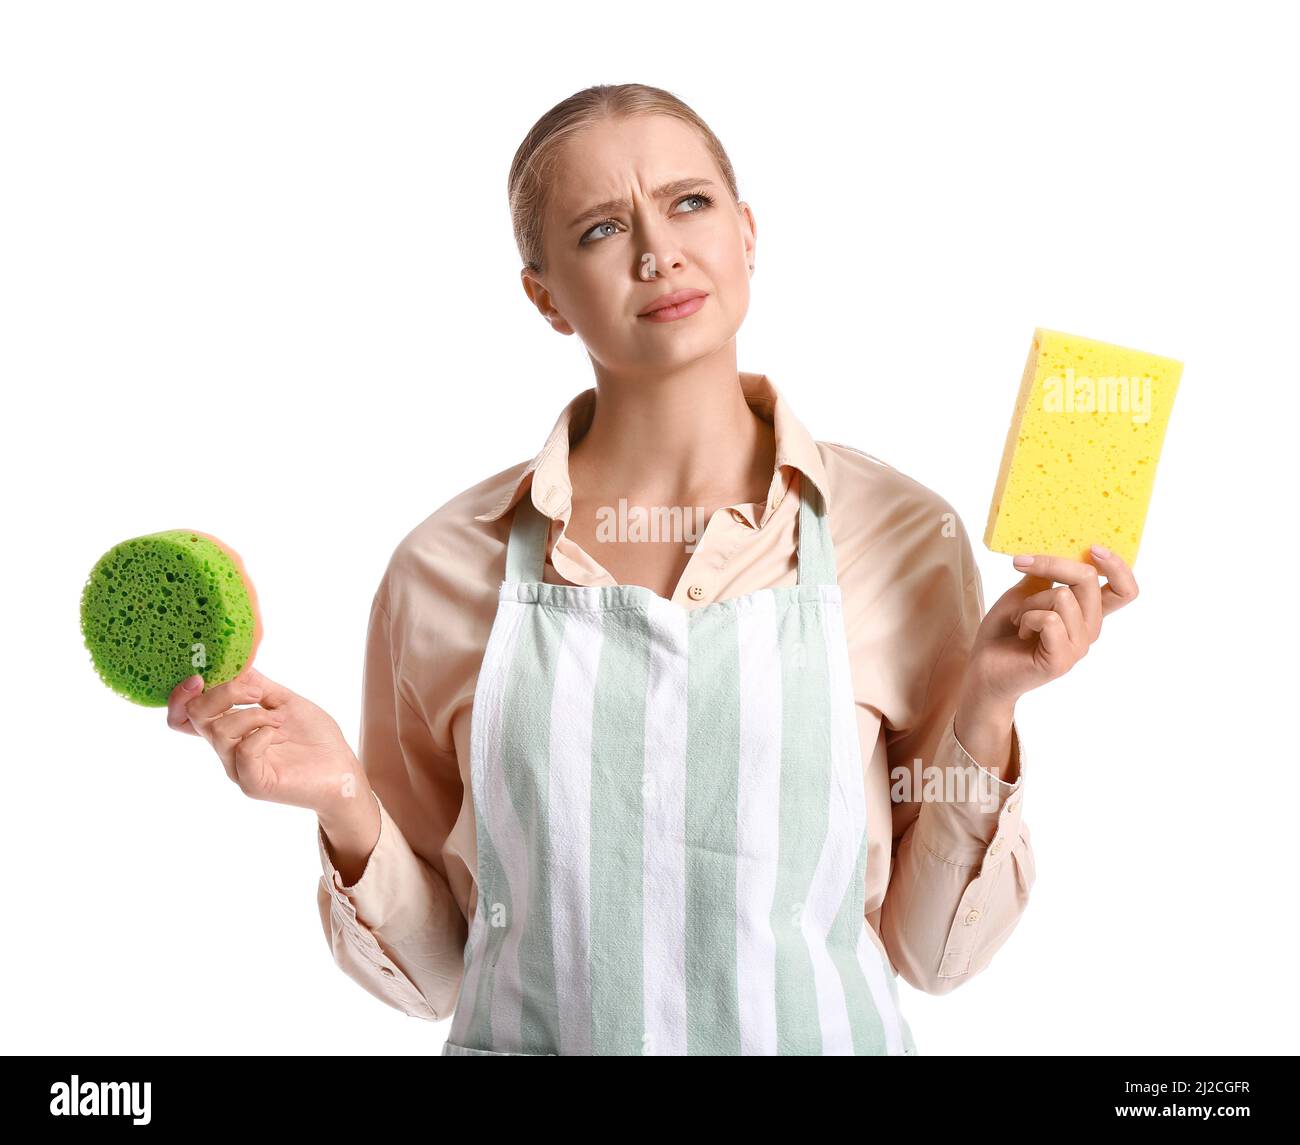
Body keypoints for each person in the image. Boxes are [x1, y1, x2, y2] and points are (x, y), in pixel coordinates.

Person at [168, 83, 1139, 1056]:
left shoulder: (898, 533)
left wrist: (987, 703)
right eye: (598, 228)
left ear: (746, 233)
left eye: (688, 203)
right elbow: (439, 975)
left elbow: (932, 954)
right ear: (543, 294)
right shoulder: (440, 565)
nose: (656, 251)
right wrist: (344, 796)